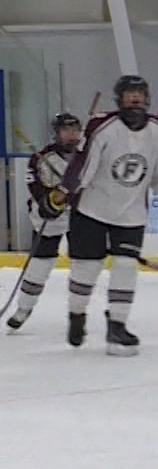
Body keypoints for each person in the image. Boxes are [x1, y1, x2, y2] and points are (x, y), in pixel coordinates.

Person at [60, 76, 158, 354]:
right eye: (129, 94)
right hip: (91, 210)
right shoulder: (102, 126)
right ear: (119, 99)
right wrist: (61, 193)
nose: (135, 98)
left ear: (147, 99)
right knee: (86, 269)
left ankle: (117, 326)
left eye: (140, 94)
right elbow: (84, 166)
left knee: (125, 266)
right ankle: (76, 315)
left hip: (131, 213)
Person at [5, 114, 83, 333]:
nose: (71, 134)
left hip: (79, 216)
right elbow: (36, 187)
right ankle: (23, 308)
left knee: (82, 265)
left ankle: (77, 314)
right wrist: (49, 200)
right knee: (40, 265)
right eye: (65, 130)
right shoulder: (41, 158)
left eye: (74, 129)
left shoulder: (87, 156)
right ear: (56, 134)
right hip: (49, 217)